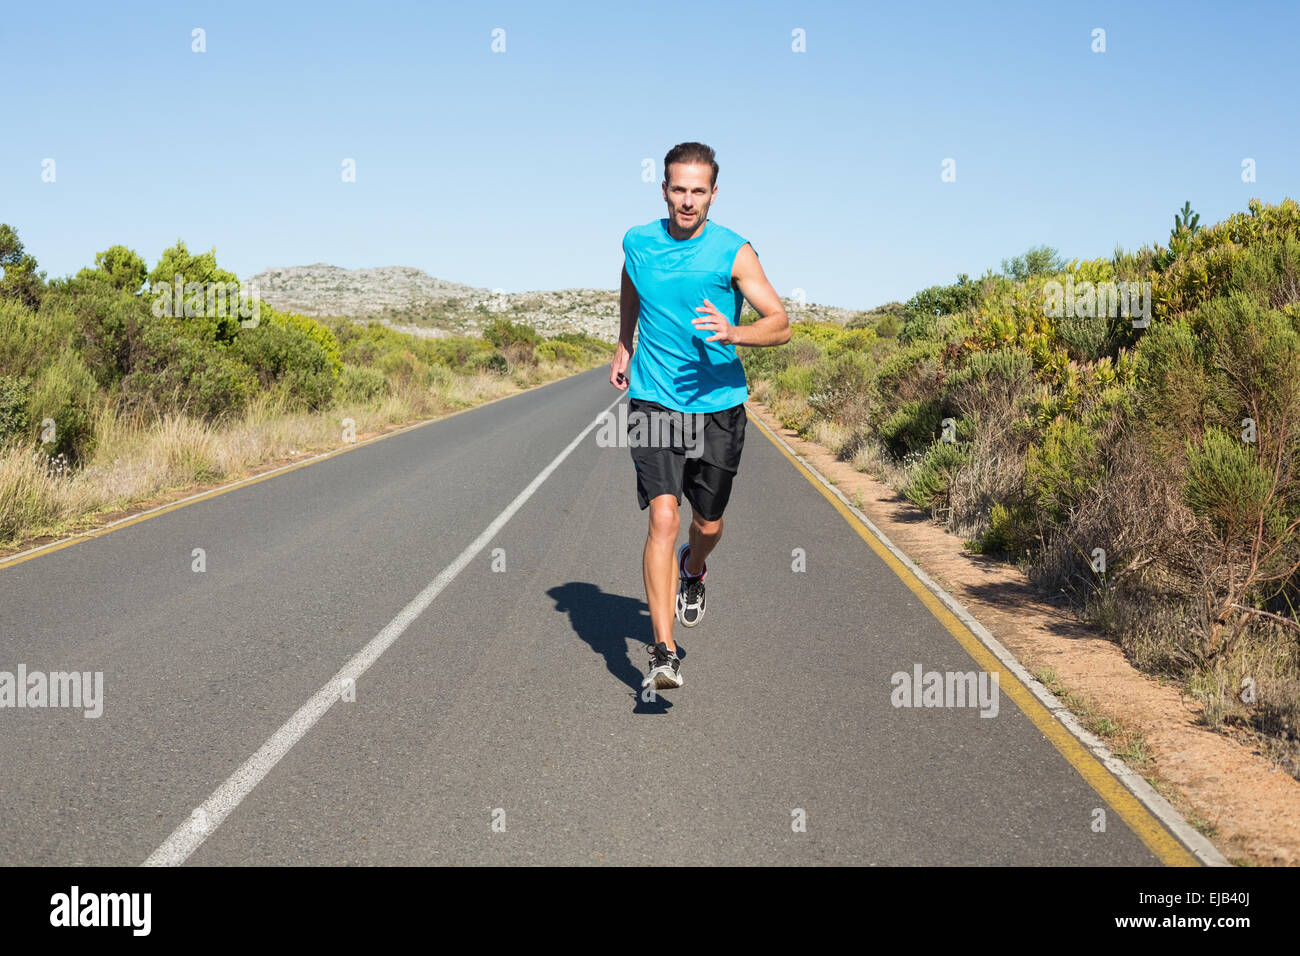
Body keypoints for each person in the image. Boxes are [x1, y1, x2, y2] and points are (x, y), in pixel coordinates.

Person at [609, 142, 791, 691]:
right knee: (662, 518)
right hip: (655, 399)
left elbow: (780, 324)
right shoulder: (638, 242)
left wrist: (735, 332)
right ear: (663, 189)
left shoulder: (733, 252)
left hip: (717, 406)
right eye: (678, 189)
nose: (687, 201)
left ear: (714, 193)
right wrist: (624, 341)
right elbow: (630, 283)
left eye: (698, 191)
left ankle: (693, 567)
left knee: (706, 523)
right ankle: (662, 653)